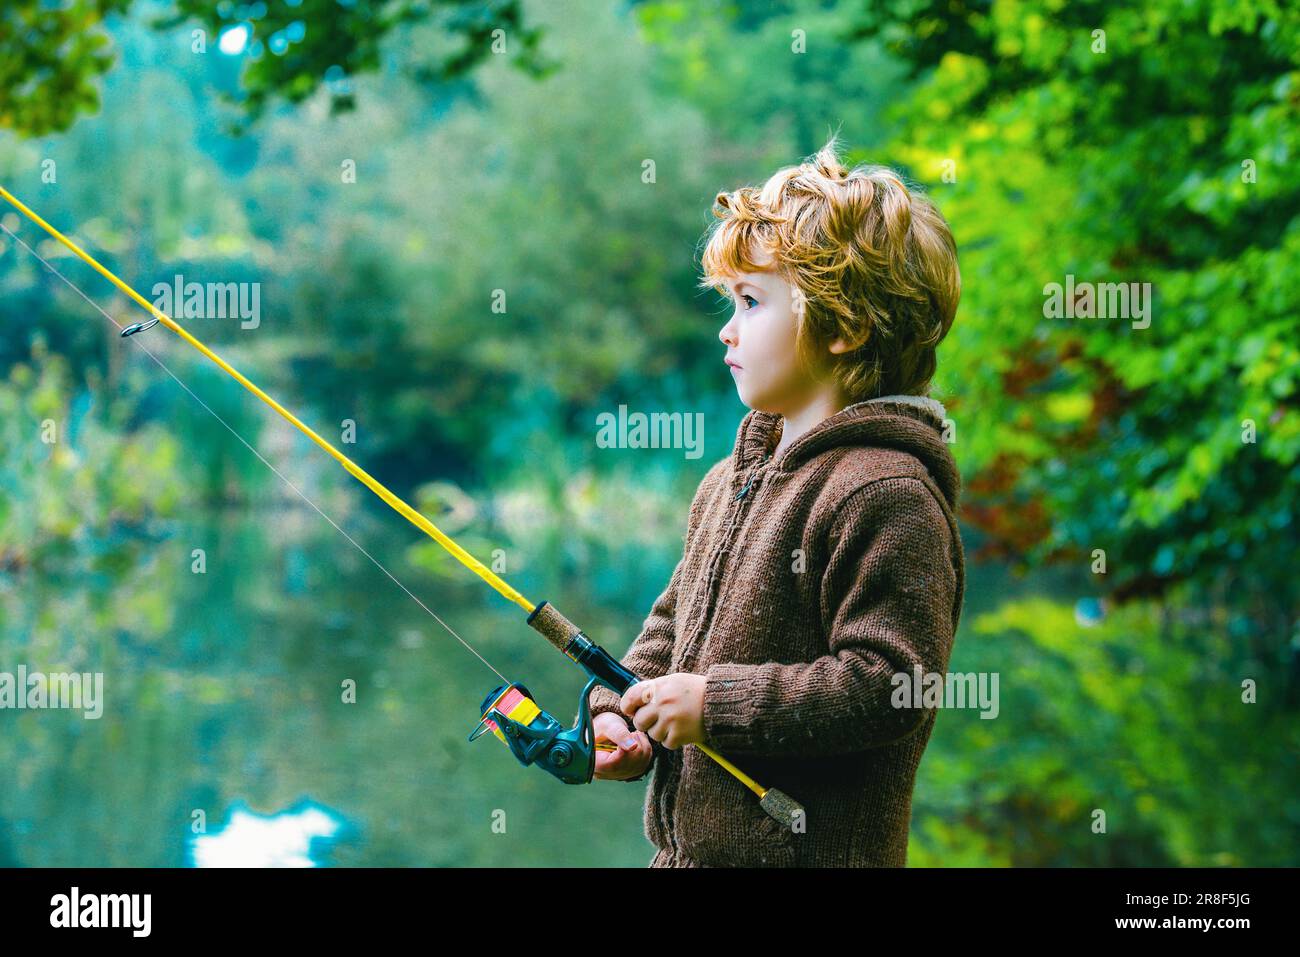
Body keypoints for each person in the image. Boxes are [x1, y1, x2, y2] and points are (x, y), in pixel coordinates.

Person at [587, 135, 966, 867]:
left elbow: (890, 683)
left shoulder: (886, 494)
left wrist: (713, 705)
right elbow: (672, 624)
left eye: (752, 301)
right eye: (730, 301)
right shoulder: (727, 478)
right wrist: (621, 713)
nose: (727, 329)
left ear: (846, 328)